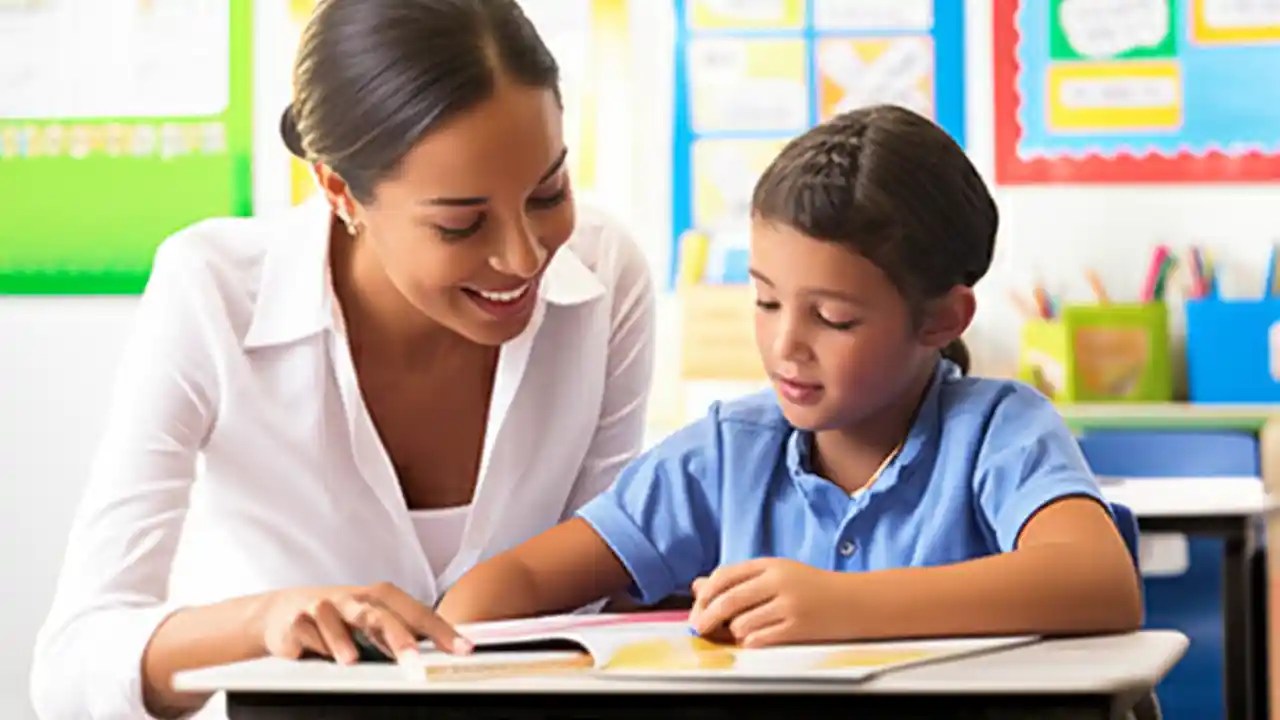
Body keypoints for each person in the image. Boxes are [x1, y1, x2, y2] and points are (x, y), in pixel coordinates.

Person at [30, 1, 655, 717]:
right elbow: (70, 671)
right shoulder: (212, 292)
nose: (523, 256)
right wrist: (265, 622)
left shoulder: (604, 275)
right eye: (460, 224)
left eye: (548, 193)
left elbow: (605, 578)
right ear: (337, 190)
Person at [437, 105, 1143, 646]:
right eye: (766, 301)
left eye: (834, 318)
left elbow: (1100, 581)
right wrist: (458, 631)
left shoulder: (998, 431)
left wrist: (844, 606)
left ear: (940, 320)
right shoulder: (727, 453)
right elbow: (513, 582)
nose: (785, 345)